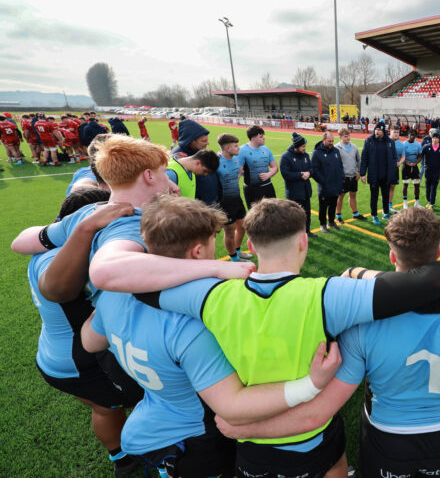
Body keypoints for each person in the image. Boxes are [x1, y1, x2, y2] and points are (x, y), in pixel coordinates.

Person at [215, 207, 440, 477]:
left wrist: (244, 430)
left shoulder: (362, 325)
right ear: (439, 251)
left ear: (392, 255)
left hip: (384, 436)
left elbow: (316, 413)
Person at [131, 198, 440, 478]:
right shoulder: (327, 295)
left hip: (252, 436)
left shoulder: (211, 297)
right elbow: (416, 285)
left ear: (249, 244)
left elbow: (143, 288)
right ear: (304, 240)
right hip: (311, 436)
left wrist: (208, 269)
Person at [80, 195, 341, 478]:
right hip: (197, 438)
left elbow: (90, 341)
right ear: (196, 252)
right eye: (213, 238)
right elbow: (233, 408)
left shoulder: (115, 295)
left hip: (151, 424)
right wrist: (310, 384)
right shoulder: (197, 321)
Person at [10, 134, 250, 308]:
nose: (169, 182)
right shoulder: (133, 224)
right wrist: (215, 267)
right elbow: (105, 271)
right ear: (148, 175)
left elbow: (20, 242)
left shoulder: (91, 211)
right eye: (162, 173)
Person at [27, 189, 144, 476]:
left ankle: (122, 453)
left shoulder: (51, 251)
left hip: (55, 356)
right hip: (77, 362)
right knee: (111, 406)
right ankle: (124, 461)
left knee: (103, 405)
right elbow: (60, 290)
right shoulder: (60, 262)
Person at [216, 133, 252, 262]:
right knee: (230, 231)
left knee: (242, 227)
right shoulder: (216, 161)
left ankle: (238, 250)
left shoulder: (236, 159)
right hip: (224, 203)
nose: (239, 148)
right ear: (227, 148)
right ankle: (234, 258)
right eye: (236, 146)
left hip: (237, 199)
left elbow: (237, 174)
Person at [360, 122, 398, 226]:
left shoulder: (390, 142)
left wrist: (393, 173)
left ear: (383, 131)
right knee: (374, 197)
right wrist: (363, 173)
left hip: (386, 175)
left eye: (379, 130)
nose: (376, 132)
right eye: (376, 129)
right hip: (374, 175)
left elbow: (394, 159)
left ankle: (385, 213)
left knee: (386, 196)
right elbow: (364, 158)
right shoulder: (369, 141)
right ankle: (374, 216)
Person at [174, 120, 219, 205]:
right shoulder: (177, 159)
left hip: (211, 205)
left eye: (207, 140)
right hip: (196, 210)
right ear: (191, 141)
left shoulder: (202, 152)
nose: (207, 143)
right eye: (203, 141)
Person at [280, 132, 315, 237]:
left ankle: (306, 232)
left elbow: (312, 169)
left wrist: (309, 173)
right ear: (296, 146)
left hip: (305, 191)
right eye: (303, 146)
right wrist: (300, 175)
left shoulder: (306, 155)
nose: (305, 148)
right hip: (294, 193)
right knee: (294, 216)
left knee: (307, 213)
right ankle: (295, 235)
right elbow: (286, 174)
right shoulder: (286, 157)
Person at [312, 131, 344, 233]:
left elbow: (340, 165)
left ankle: (331, 222)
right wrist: (323, 181)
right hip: (324, 186)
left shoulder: (336, 151)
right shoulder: (317, 153)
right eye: (329, 141)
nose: (331, 143)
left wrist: (341, 177)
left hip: (335, 185)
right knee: (323, 207)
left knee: (333, 205)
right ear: (324, 140)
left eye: (332, 141)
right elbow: (314, 170)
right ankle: (322, 224)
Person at [240, 125, 278, 208]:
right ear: (253, 139)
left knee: (274, 214)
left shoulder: (266, 149)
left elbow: (275, 167)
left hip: (268, 187)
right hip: (252, 190)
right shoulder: (242, 150)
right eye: (261, 137)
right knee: (255, 217)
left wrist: (269, 174)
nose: (264, 138)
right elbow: (238, 171)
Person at [334, 127, 365, 223]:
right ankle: (338, 216)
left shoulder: (354, 147)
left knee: (353, 195)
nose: (348, 138)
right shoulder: (336, 148)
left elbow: (359, 160)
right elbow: (335, 164)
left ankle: (355, 213)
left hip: (353, 177)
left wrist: (359, 172)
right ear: (340, 137)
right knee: (340, 197)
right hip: (343, 178)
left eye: (349, 136)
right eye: (345, 136)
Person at [421, 129, 440, 209]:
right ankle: (428, 200)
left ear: (439, 139)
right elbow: (420, 155)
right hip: (428, 170)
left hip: (436, 171)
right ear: (431, 138)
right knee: (428, 187)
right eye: (433, 138)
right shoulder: (426, 147)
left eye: (437, 138)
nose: (435, 139)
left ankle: (432, 203)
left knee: (434, 187)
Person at [400, 129, 423, 208]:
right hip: (406, 167)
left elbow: (420, 156)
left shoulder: (418, 144)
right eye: (410, 134)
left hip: (415, 167)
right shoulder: (404, 144)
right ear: (408, 135)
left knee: (417, 185)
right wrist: (407, 163)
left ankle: (416, 203)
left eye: (413, 135)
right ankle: (405, 203)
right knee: (405, 184)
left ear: (415, 136)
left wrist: (416, 163)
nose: (412, 136)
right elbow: (402, 156)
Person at [387, 127, 406, 213]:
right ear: (390, 133)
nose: (396, 134)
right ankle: (385, 204)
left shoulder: (401, 145)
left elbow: (403, 156)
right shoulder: (385, 142)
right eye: (394, 132)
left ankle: (389, 205)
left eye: (398, 132)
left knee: (392, 186)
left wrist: (400, 162)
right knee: (384, 187)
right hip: (385, 168)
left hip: (394, 169)